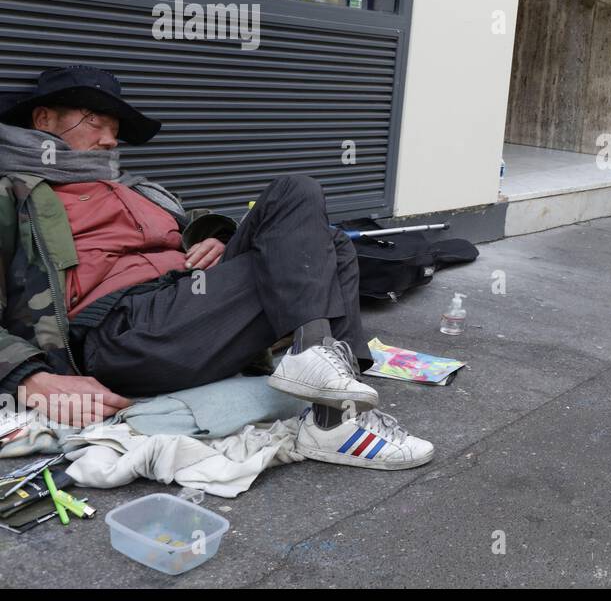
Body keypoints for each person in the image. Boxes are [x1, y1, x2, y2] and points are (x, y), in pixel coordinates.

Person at [0, 66, 433, 470]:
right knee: (320, 233)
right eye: (96, 121)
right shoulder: (14, 192)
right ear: (43, 118)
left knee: (305, 204)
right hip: (123, 332)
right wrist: (29, 377)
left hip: (190, 302)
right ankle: (331, 408)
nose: (111, 139)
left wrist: (217, 238)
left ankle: (327, 400)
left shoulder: (136, 189)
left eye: (116, 129)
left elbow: (201, 226)